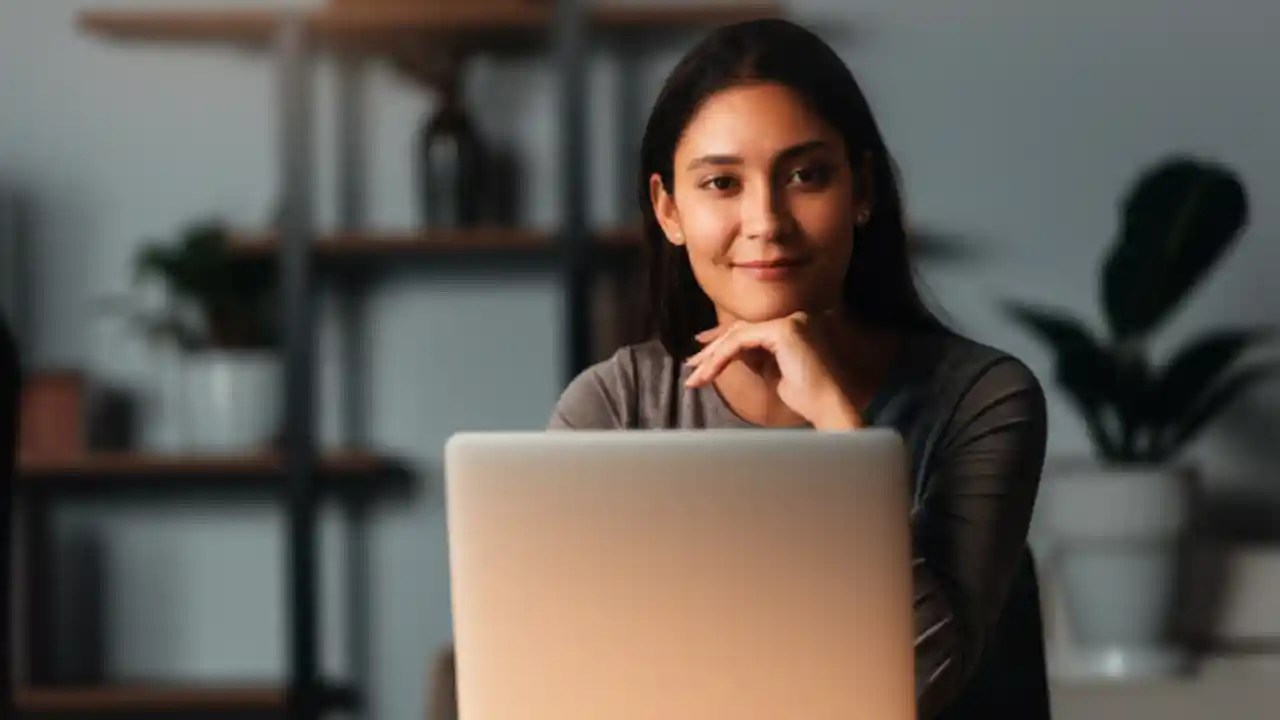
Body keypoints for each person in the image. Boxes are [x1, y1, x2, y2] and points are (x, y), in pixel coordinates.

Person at [548, 18, 1051, 720]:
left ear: (862, 190)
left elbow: (918, 685)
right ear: (669, 210)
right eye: (722, 183)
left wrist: (842, 428)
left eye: (806, 175)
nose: (767, 221)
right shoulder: (614, 409)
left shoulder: (984, 400)